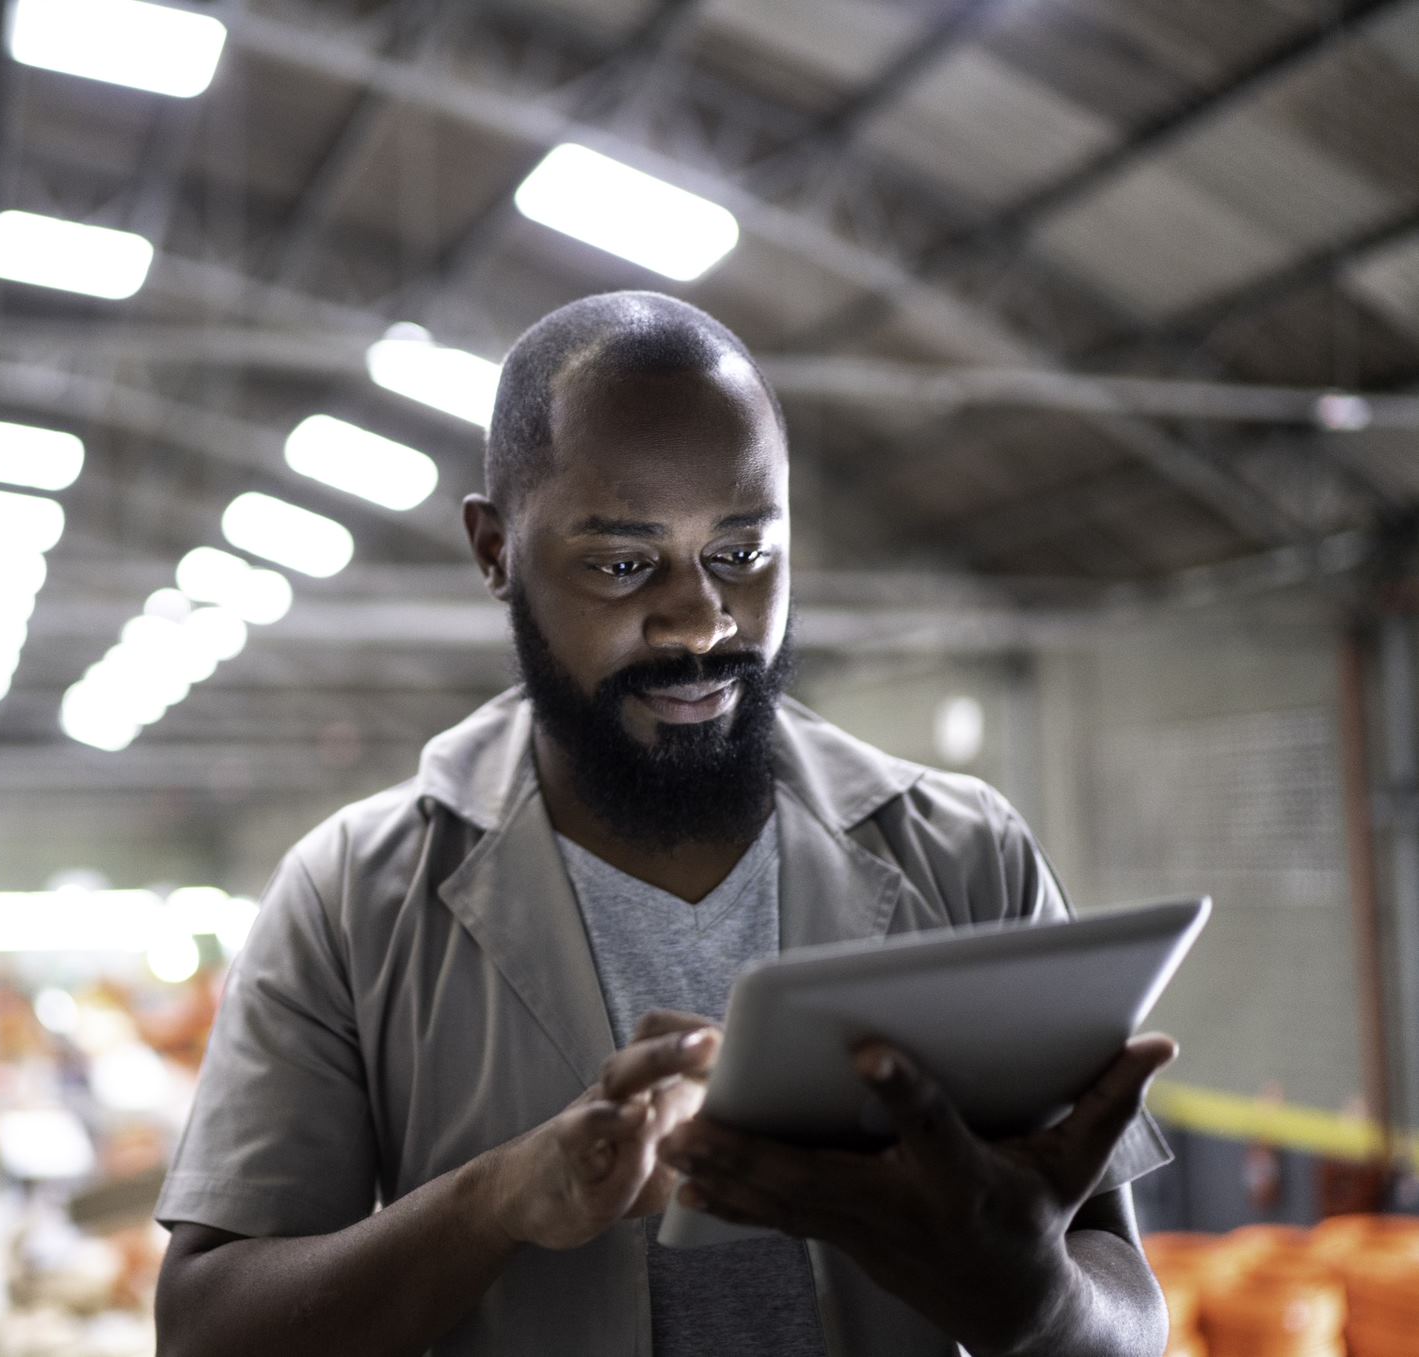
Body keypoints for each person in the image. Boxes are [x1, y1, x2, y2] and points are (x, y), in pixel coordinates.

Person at [152, 291, 1177, 1356]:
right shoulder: (350, 897)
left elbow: (1125, 1308)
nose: (701, 621)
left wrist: (1034, 1300)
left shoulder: (966, 855)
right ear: (495, 548)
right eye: (621, 562)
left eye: (743, 553)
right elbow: (205, 1330)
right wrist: (497, 1200)